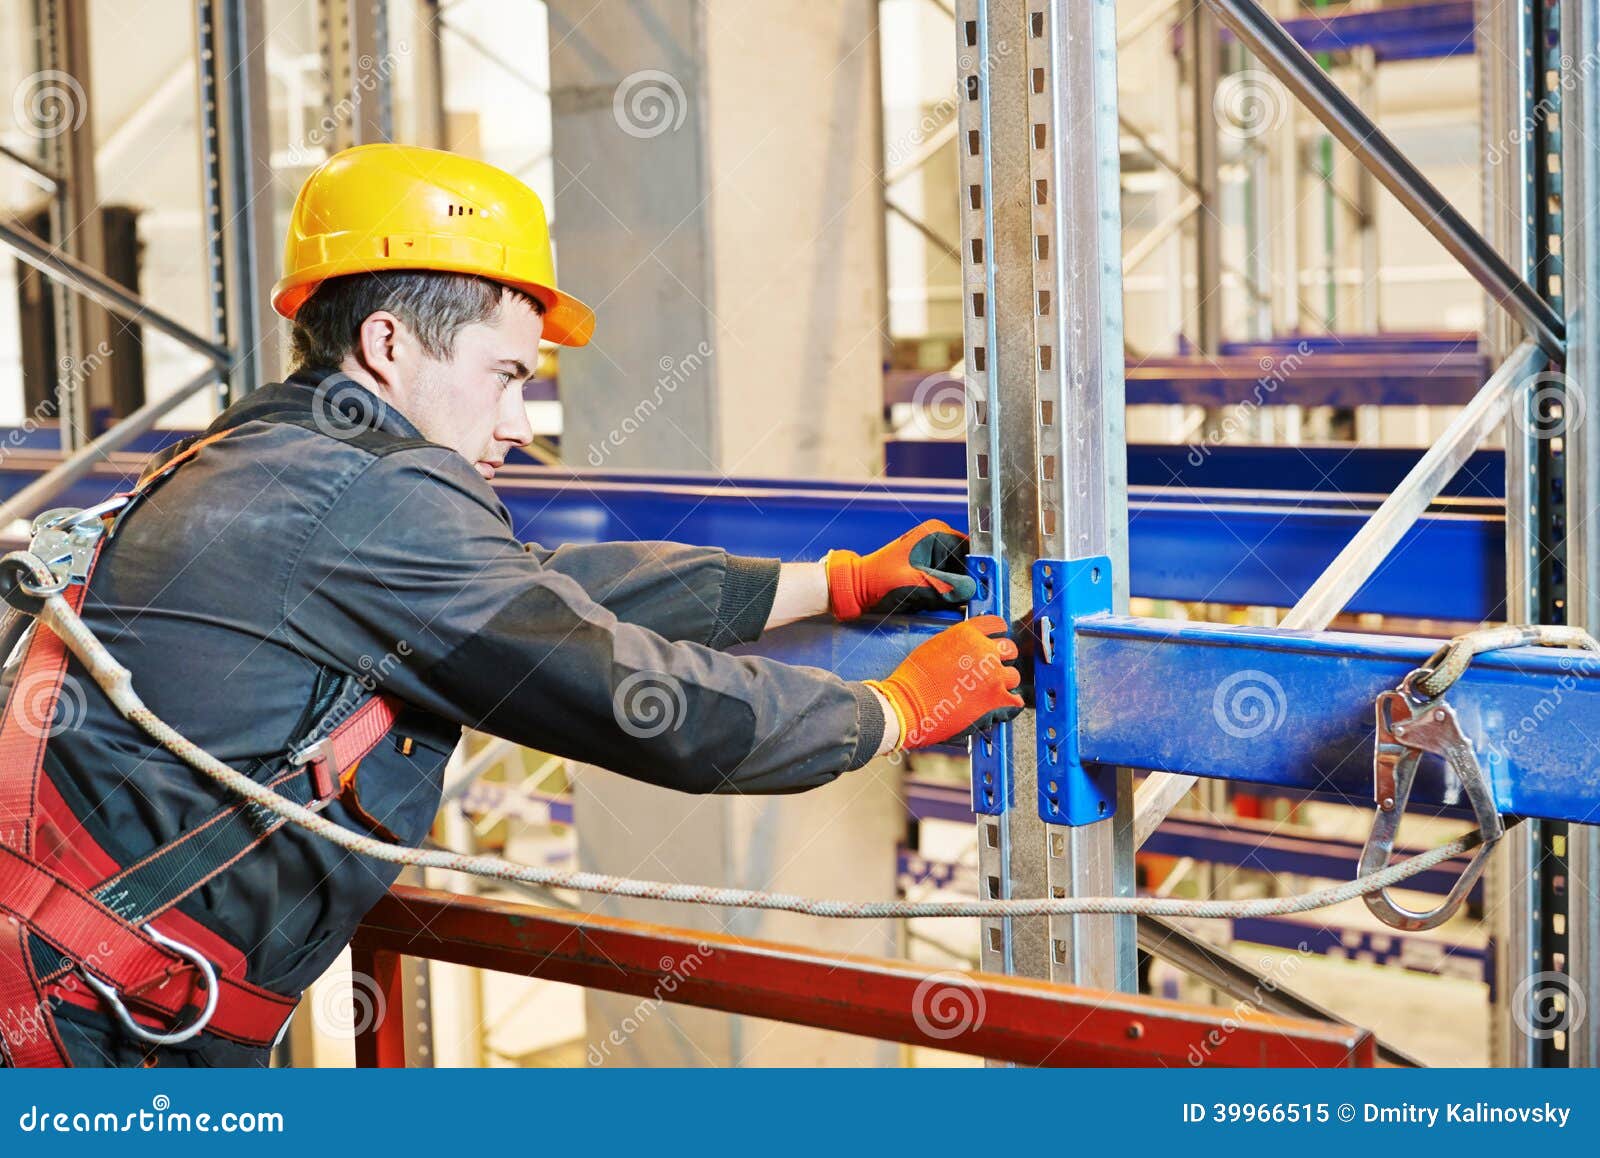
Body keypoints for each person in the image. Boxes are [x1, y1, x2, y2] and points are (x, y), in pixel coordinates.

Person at [0, 144, 1022, 1067]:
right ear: (391, 345)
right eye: (503, 377)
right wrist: (891, 711)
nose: (516, 425)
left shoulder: (267, 454)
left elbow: (533, 594)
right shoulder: (372, 494)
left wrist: (825, 586)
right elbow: (614, 689)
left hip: (75, 995)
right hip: (86, 1032)